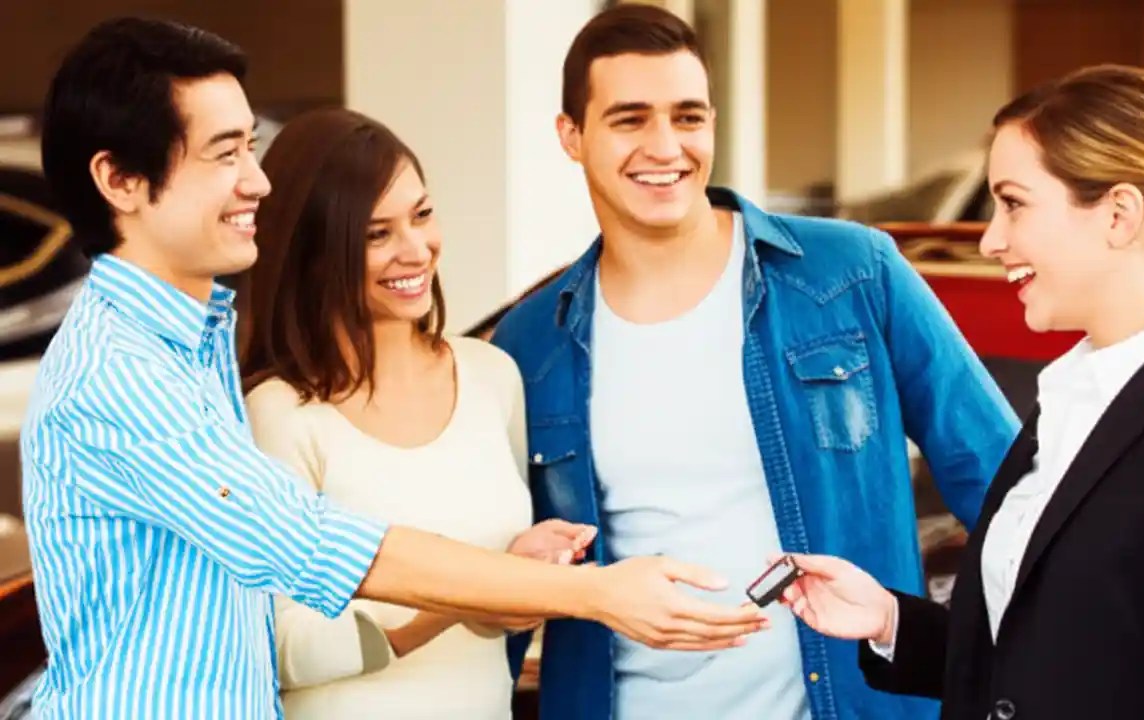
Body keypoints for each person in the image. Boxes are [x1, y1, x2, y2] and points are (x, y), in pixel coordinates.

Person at [21, 17, 766, 718]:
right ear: (119, 181)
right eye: (225, 154)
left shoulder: (192, 340)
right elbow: (312, 545)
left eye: (251, 147)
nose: (259, 182)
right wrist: (598, 593)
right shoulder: (118, 376)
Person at [489, 5, 1018, 720]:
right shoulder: (530, 343)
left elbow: (1006, 487)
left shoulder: (851, 273)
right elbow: (498, 596)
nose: (666, 145)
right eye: (629, 119)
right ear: (571, 137)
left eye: (688, 116)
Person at [777, 64, 1144, 720]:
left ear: (1120, 215)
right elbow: (1047, 660)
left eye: (1013, 203)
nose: (990, 239)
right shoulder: (1074, 399)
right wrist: (888, 618)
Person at [236, 107, 592, 719]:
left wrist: (519, 578)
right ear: (314, 253)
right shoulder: (278, 415)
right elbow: (277, 645)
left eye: (421, 215)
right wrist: (470, 592)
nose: (415, 249)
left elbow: (490, 624)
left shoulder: (490, 375)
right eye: (376, 235)